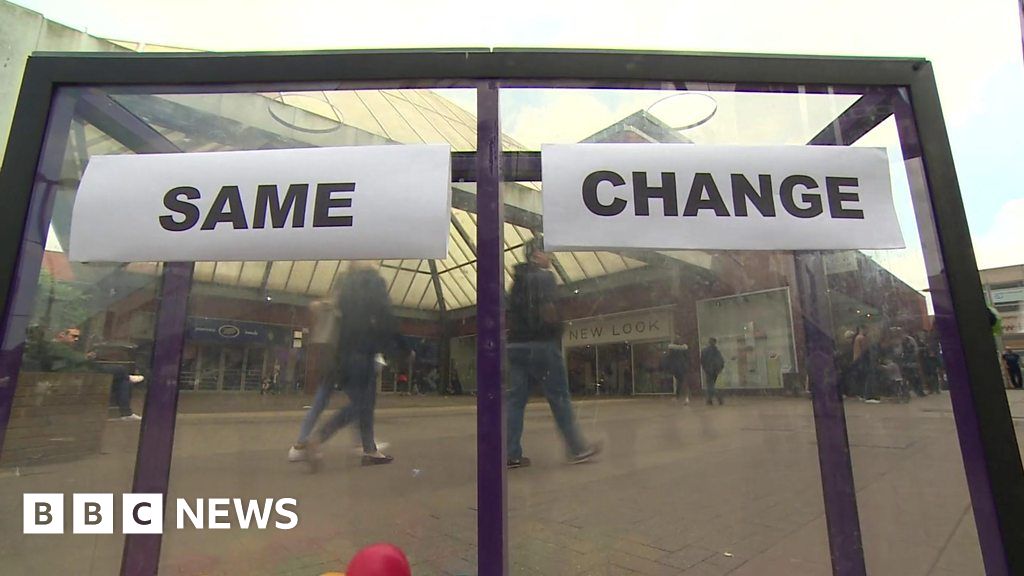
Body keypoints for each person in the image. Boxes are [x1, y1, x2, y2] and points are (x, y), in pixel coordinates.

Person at [294, 261, 401, 472]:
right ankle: (314, 440)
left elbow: (330, 307)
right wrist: (397, 345)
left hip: (341, 354)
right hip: (356, 353)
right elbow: (382, 315)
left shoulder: (346, 285)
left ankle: (368, 449)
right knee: (360, 404)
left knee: (360, 402)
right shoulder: (368, 282)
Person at [506, 236, 600, 468]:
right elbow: (548, 309)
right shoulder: (544, 277)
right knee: (559, 398)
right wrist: (557, 329)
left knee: (515, 401)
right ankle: (577, 449)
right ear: (536, 255)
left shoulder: (516, 281)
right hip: (541, 345)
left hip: (515, 346)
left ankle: (510, 454)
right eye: (548, 254)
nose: (551, 259)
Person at [664, 337, 691, 405]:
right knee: (682, 382)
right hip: (683, 368)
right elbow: (687, 357)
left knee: (680, 382)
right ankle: (684, 397)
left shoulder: (672, 349)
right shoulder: (684, 348)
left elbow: (668, 358)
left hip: (676, 368)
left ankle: (681, 397)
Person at [700, 337, 725, 405]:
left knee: (710, 386)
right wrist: (719, 369)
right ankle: (709, 400)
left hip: (709, 370)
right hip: (715, 371)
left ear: (709, 342)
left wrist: (705, 368)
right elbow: (722, 361)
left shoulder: (705, 351)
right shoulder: (717, 351)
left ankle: (718, 397)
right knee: (711, 385)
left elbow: (702, 361)